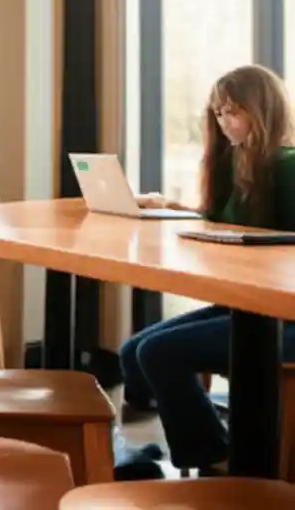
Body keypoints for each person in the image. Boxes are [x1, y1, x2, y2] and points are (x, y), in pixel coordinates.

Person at [118, 64, 295, 478]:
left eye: (234, 111)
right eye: (218, 113)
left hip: (282, 313)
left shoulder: (286, 165)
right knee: (133, 353)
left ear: (263, 110)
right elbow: (225, 226)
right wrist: (175, 209)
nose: (224, 121)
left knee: (158, 352)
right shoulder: (238, 163)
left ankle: (217, 457)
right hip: (248, 305)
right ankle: (205, 436)